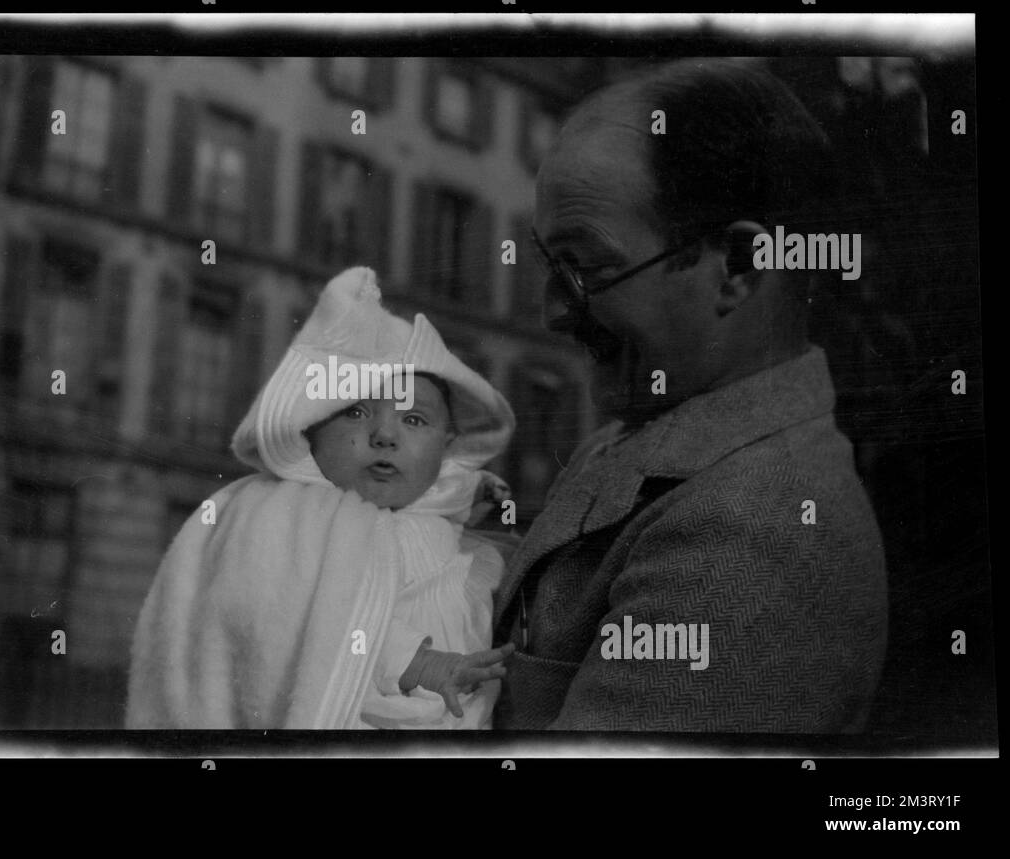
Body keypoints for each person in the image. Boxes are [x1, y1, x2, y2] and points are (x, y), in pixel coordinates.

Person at [494, 58, 888, 732]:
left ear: (739, 266)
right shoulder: (657, 431)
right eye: (547, 263)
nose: (552, 310)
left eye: (582, 267)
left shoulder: (752, 537)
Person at [126, 265, 517, 729]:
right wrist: (422, 663)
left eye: (415, 421)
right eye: (356, 411)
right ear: (309, 426)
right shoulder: (286, 517)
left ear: (448, 444)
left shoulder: (438, 507)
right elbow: (304, 612)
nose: (385, 436)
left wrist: (470, 494)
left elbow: (445, 497)